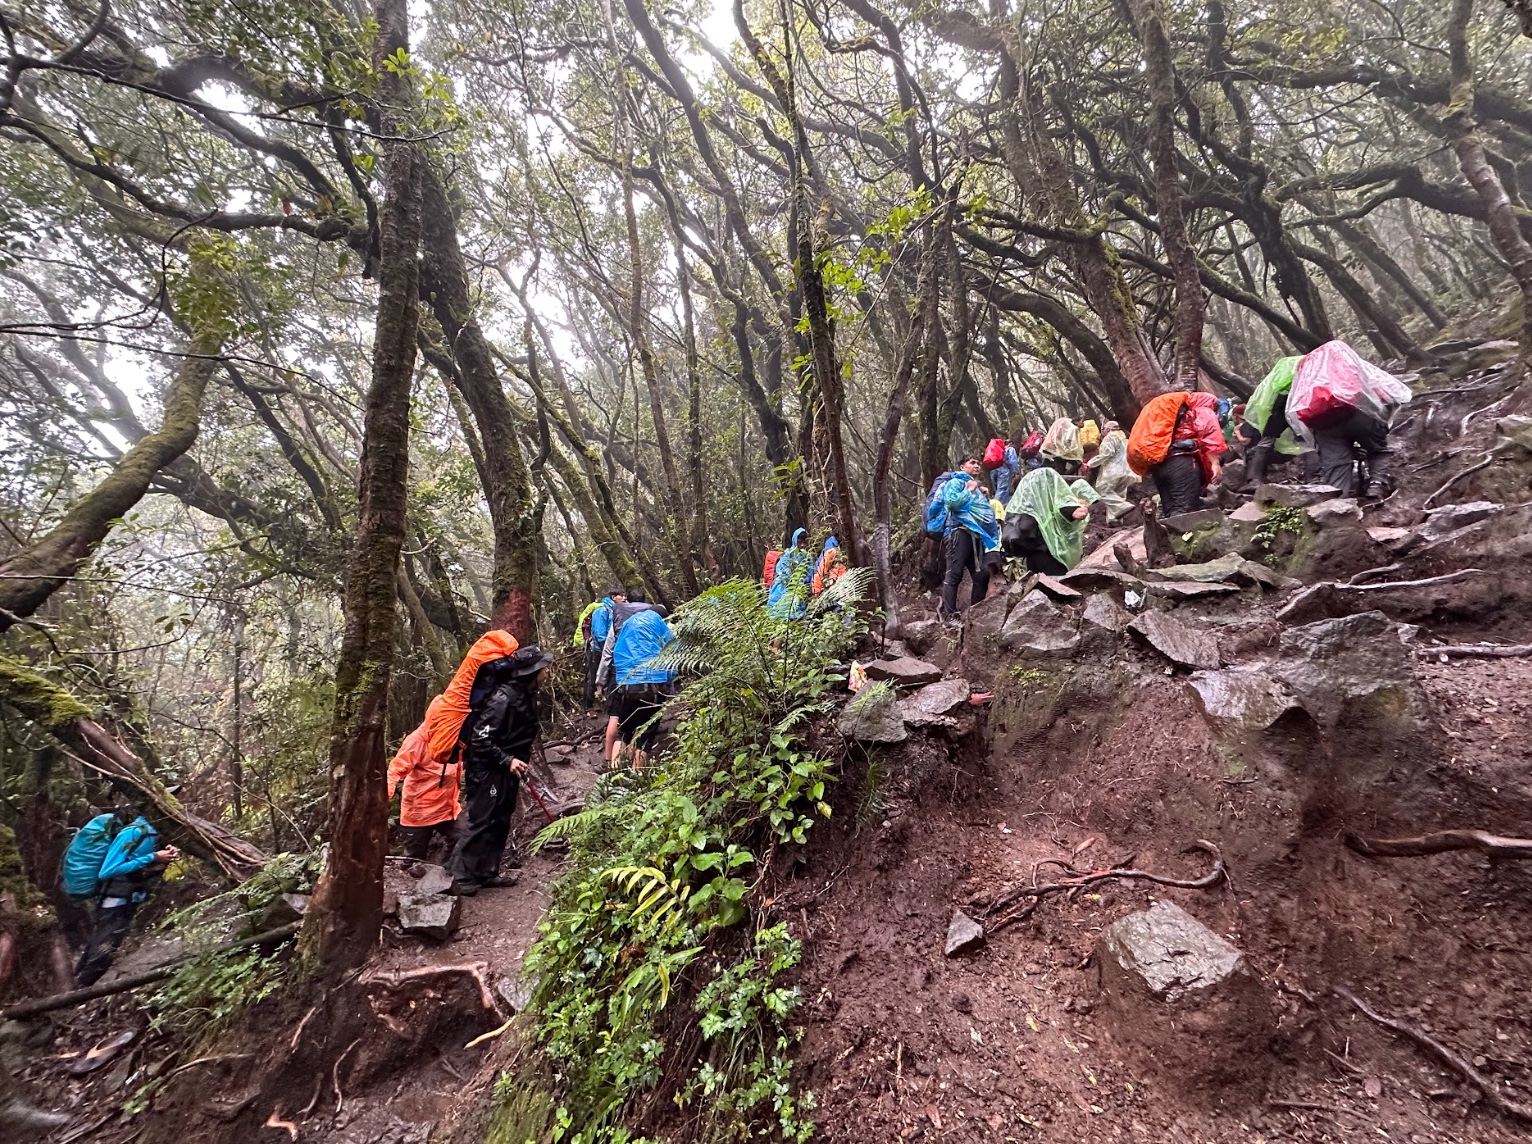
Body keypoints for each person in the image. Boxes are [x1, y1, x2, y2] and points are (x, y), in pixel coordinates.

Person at [447, 645, 552, 895]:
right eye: (544, 667)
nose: (547, 671)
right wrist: (507, 760)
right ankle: (458, 877)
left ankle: (487, 872)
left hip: (506, 769)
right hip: (486, 771)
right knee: (482, 819)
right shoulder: (503, 698)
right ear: (533, 671)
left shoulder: (525, 694)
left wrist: (514, 761)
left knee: (501, 819)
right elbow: (481, 739)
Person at [75, 808, 177, 986]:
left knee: (100, 946)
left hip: (129, 899)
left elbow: (143, 869)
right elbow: (107, 871)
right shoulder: (133, 832)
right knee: (104, 952)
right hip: (112, 901)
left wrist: (163, 857)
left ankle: (73, 987)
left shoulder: (155, 834)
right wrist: (152, 856)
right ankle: (74, 994)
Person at [388, 698, 460, 871]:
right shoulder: (417, 741)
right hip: (418, 812)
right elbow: (395, 769)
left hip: (446, 808)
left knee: (462, 839)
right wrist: (384, 796)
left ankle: (446, 875)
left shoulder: (454, 737)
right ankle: (409, 892)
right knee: (414, 859)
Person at [1131, 391, 1226, 518]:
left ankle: (1171, 536)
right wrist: (1215, 463)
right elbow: (1209, 434)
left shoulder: (1173, 417)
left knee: (1170, 511)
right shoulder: (1202, 409)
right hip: (1182, 464)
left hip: (1159, 466)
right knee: (1186, 510)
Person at [606, 605, 677, 768]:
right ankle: (636, 777)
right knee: (646, 735)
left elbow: (617, 651)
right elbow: (674, 652)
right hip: (653, 684)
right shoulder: (658, 623)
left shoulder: (628, 623)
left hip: (627, 684)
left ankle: (612, 774)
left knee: (623, 732)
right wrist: (670, 679)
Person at [1002, 468, 1101, 575]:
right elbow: (1080, 514)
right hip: (1052, 560)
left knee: (1038, 588)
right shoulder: (1058, 506)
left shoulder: (1019, 509)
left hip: (1030, 560)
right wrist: (1082, 505)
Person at [939, 455, 1001, 620]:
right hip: (957, 533)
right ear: (962, 467)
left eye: (978, 463)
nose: (976, 466)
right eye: (972, 463)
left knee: (982, 575)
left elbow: (981, 513)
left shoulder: (977, 488)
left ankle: (974, 615)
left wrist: (983, 495)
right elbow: (951, 503)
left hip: (975, 537)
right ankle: (950, 617)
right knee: (954, 574)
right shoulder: (955, 483)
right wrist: (969, 490)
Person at [577, 590, 623, 713]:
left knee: (607, 676)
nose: (623, 598)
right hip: (597, 650)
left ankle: (606, 704)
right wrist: (606, 650)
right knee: (593, 677)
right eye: (621, 596)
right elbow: (599, 633)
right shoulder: (602, 610)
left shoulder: (614, 610)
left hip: (607, 649)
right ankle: (588, 706)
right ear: (613, 597)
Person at [1085, 420, 1134, 521]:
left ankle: (1123, 506)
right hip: (1128, 471)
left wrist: (1090, 463)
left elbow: (1107, 454)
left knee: (1103, 490)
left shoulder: (1110, 437)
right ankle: (1114, 520)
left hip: (1114, 471)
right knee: (1117, 494)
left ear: (1107, 429)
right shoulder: (1125, 439)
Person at [767, 529, 812, 618]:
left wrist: (804, 580)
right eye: (799, 542)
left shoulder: (807, 555)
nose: (802, 545)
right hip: (785, 583)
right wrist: (792, 579)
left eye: (805, 542)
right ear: (795, 541)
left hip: (801, 584)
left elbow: (811, 571)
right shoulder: (790, 554)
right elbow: (782, 570)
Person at [988, 434, 1023, 503]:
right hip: (1004, 470)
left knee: (997, 489)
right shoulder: (1010, 449)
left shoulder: (998, 451)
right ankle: (997, 506)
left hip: (993, 470)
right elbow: (1013, 461)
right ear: (1010, 443)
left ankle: (1003, 503)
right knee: (1002, 489)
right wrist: (1015, 472)